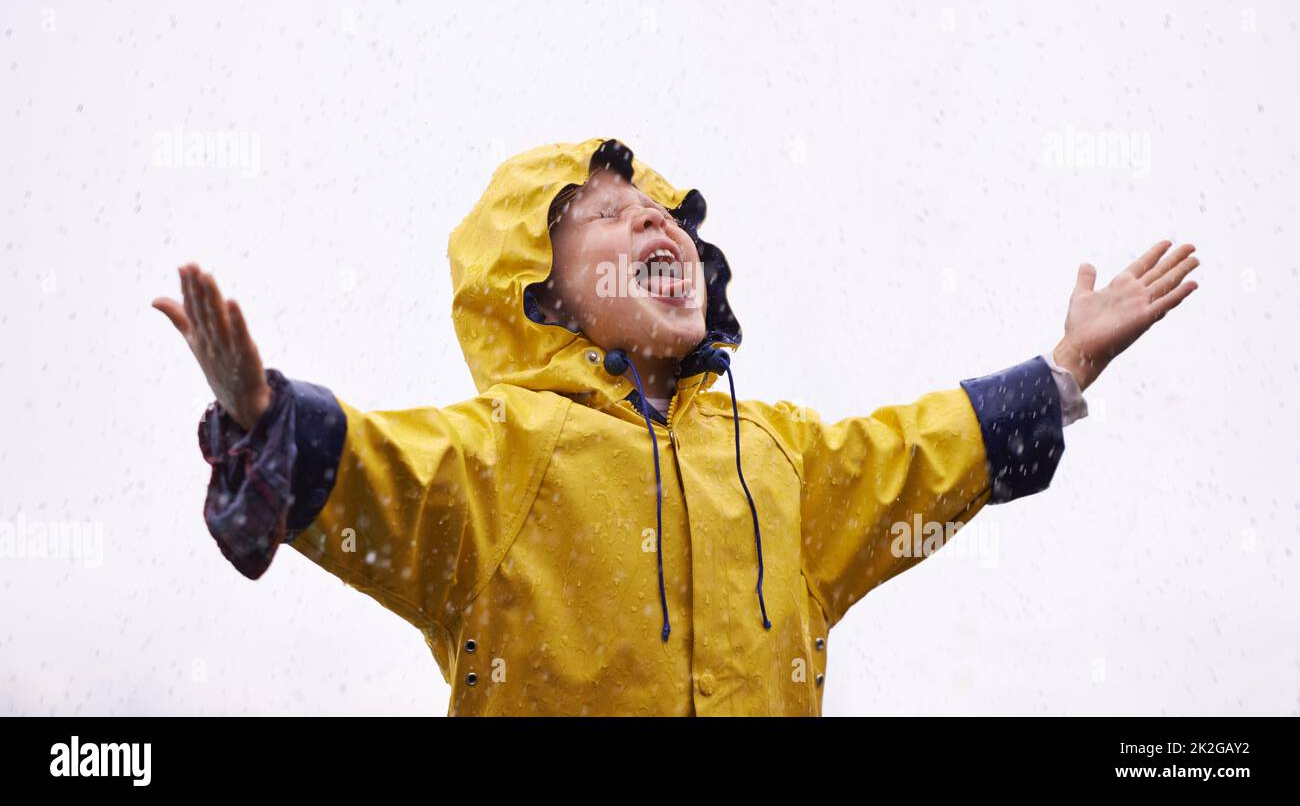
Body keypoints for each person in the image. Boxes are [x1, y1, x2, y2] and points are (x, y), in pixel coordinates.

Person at [152, 137, 1199, 715]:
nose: (657, 224)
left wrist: (1063, 370)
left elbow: (918, 454)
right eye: (609, 218)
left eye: (664, 219)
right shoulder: (500, 457)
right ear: (545, 299)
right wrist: (260, 416)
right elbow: (375, 469)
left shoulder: (778, 460)